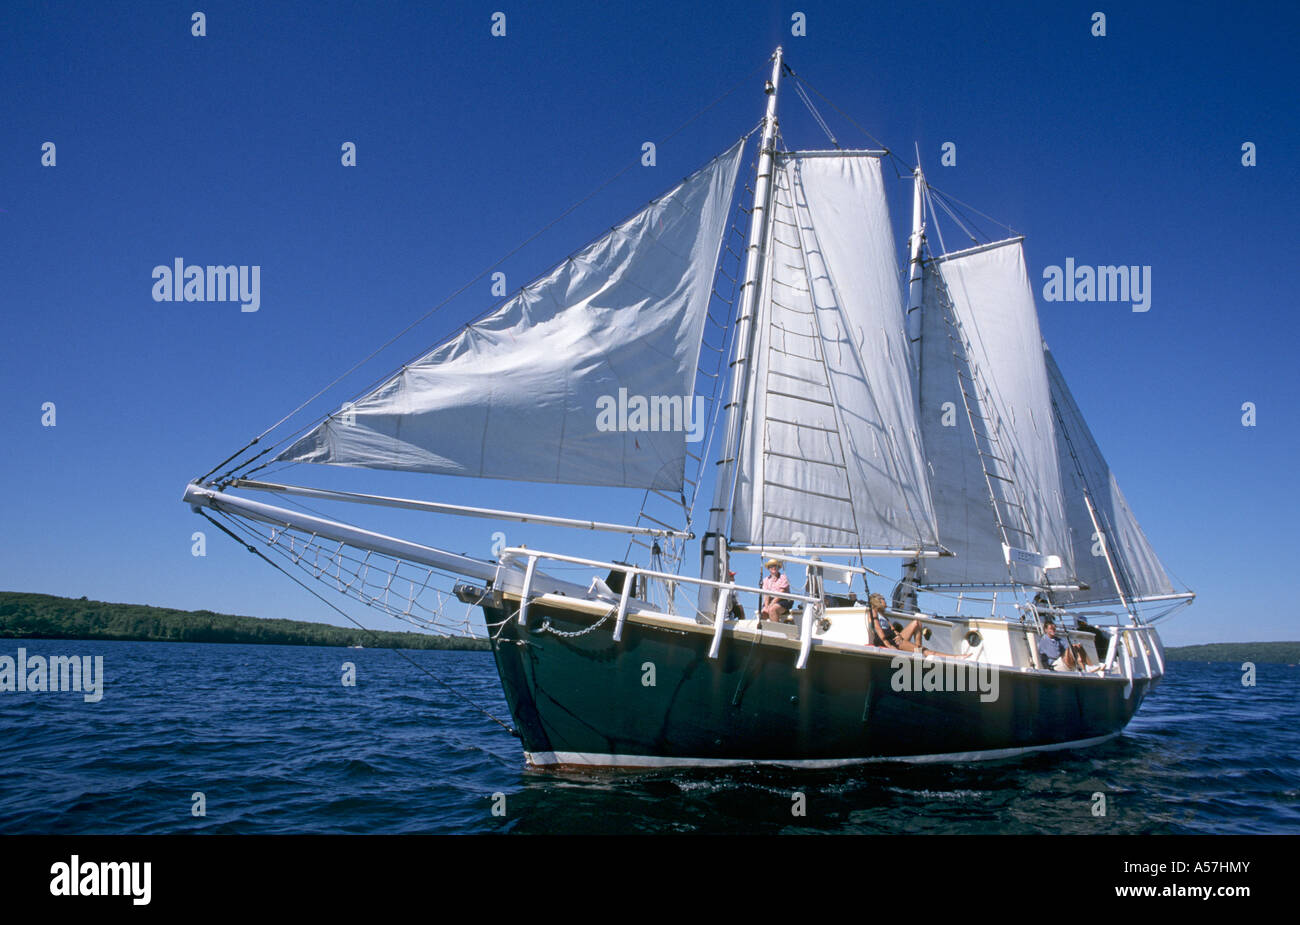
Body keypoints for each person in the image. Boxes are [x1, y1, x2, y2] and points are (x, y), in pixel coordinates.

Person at [865, 592, 931, 655]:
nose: (885, 601)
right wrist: (889, 645)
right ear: (878, 601)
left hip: (894, 638)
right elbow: (878, 629)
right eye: (883, 599)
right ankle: (919, 653)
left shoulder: (883, 616)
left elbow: (893, 630)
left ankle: (918, 650)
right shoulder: (873, 612)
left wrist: (898, 635)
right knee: (923, 650)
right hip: (890, 640)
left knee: (917, 622)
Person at [760, 559, 792, 623]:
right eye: (771, 566)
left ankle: (776, 630)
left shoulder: (783, 577)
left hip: (784, 599)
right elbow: (766, 595)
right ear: (768, 568)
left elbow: (781, 592)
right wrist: (766, 606)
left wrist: (771, 604)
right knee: (764, 612)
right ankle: (764, 630)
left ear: (778, 568)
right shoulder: (765, 580)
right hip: (771, 600)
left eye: (775, 566)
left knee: (773, 609)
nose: (773, 567)